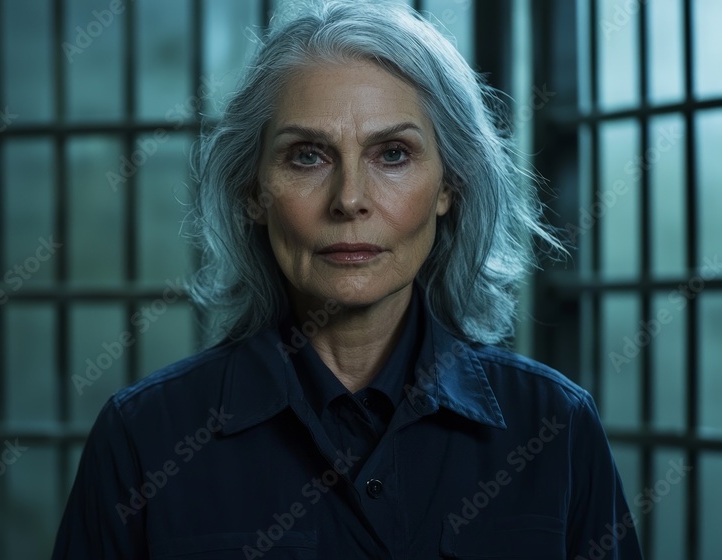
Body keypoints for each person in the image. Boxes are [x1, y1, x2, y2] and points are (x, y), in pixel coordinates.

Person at [52, 1, 642, 558]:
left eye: (393, 154)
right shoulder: (143, 439)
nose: (350, 198)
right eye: (308, 155)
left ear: (449, 187)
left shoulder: (557, 428)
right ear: (253, 192)